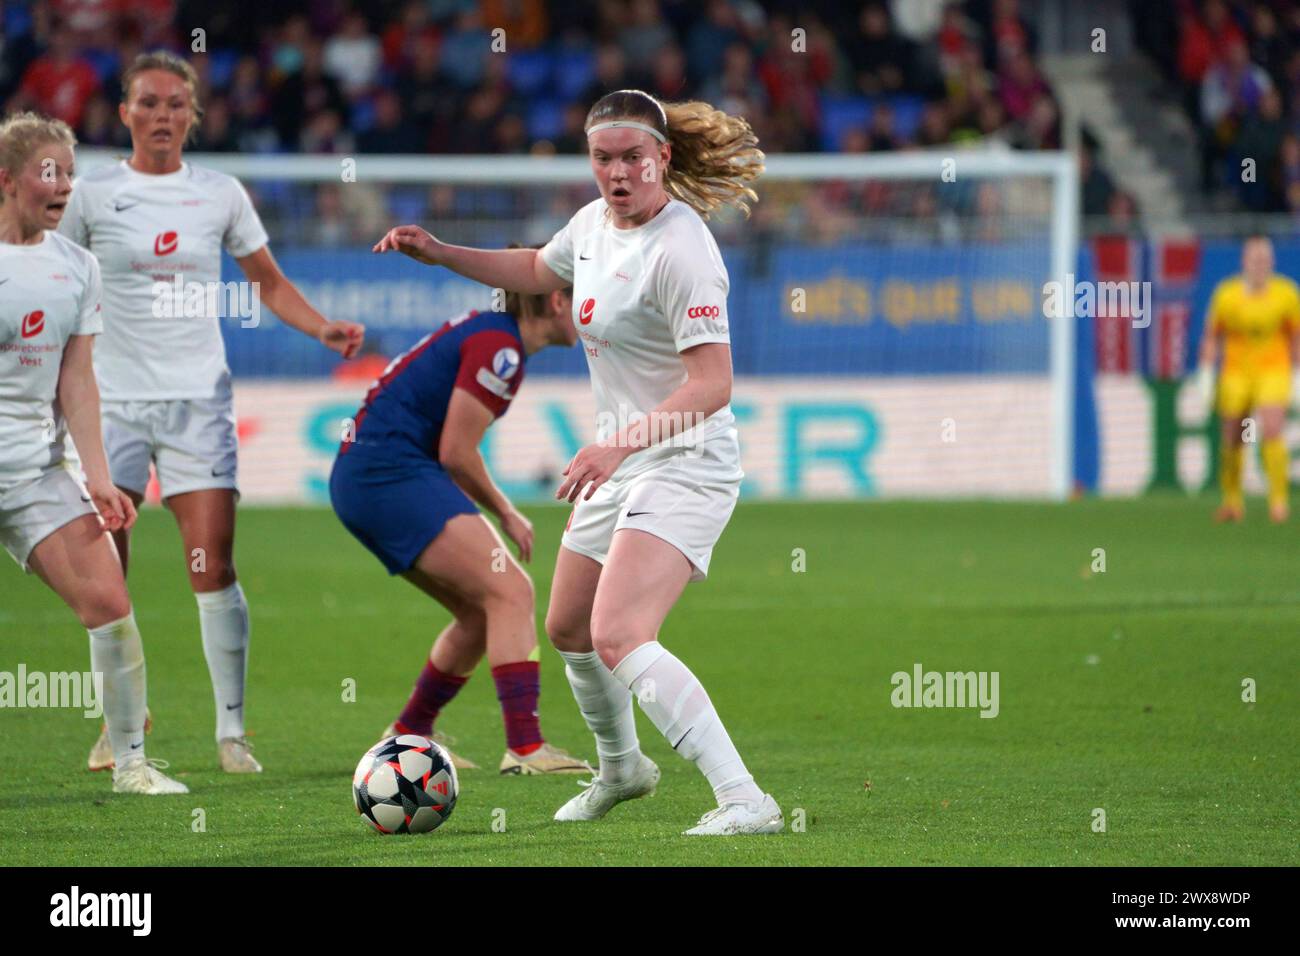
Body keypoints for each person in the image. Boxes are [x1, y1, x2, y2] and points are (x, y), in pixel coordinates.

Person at [373, 89, 782, 834]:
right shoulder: (592, 225)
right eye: (603, 158)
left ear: (662, 157)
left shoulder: (682, 248)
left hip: (685, 460)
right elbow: (533, 267)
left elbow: (715, 384)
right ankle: (622, 769)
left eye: (632, 157)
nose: (617, 172)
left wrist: (617, 443)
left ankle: (745, 798)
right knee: (565, 627)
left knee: (620, 634)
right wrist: (440, 253)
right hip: (621, 462)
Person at [58, 51, 365, 774]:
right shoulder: (92, 197)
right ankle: (120, 724)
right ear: (125, 111)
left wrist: (320, 327)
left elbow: (268, 281)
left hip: (199, 400)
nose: (161, 115)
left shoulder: (220, 193)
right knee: (106, 574)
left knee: (212, 562)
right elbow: (58, 283)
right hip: (113, 403)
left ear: (192, 117)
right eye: (148, 102)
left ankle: (231, 731)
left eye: (175, 104)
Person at [331, 258, 590, 775]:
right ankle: (526, 748)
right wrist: (506, 512)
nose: (590, 313)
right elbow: (456, 451)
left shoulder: (491, 335)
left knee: (482, 610)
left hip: (369, 474)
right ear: (557, 301)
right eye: (584, 298)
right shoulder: (500, 349)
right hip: (388, 472)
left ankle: (408, 733)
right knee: (511, 591)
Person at [0, 110, 184, 795]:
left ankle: (130, 764)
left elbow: (77, 380)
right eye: (49, 173)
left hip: (34, 474)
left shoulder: (77, 267)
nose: (63, 186)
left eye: (70, 174)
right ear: (8, 181)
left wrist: (99, 479)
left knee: (110, 600)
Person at [1197, 234, 1300, 523]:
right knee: (1234, 434)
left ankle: (1278, 500)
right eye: (1255, 259)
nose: (1260, 264)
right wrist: (1205, 373)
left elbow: (1295, 337)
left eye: (1265, 259)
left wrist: (1297, 373)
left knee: (1272, 427)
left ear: (1272, 262)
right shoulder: (1227, 294)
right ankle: (1232, 500)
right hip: (1236, 372)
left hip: (1273, 370)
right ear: (1244, 262)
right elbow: (1211, 337)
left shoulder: (1286, 294)